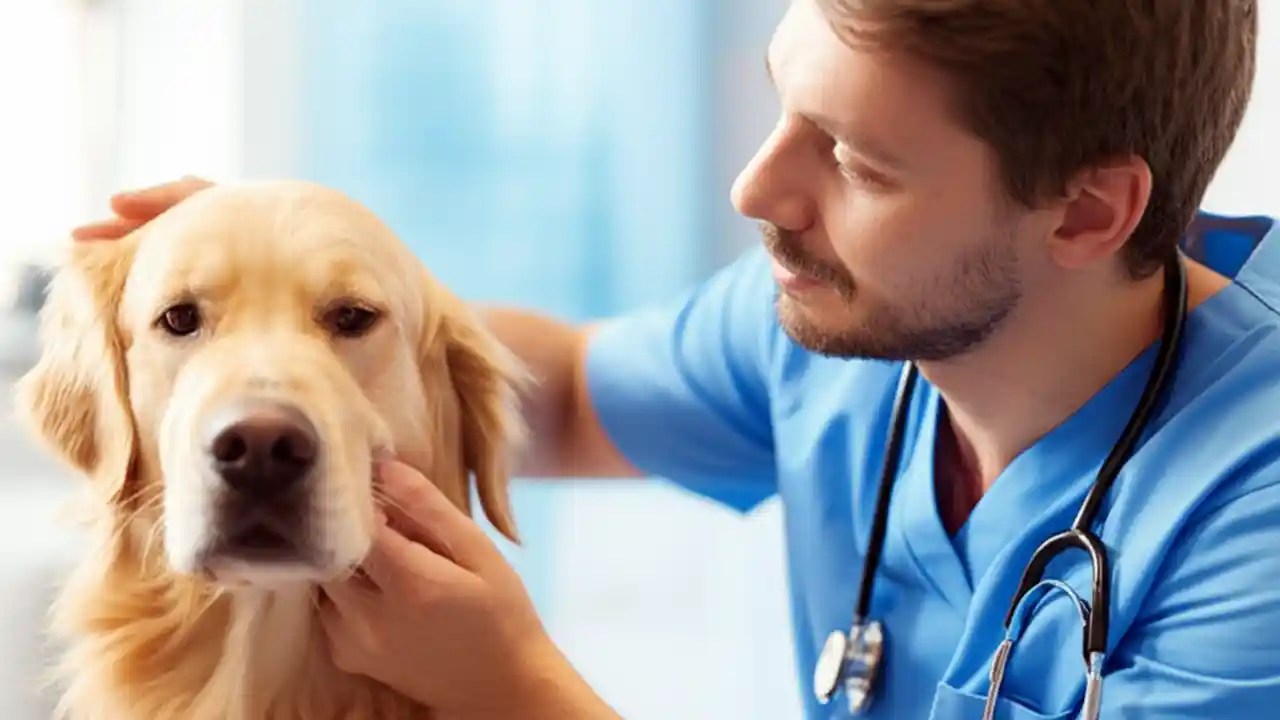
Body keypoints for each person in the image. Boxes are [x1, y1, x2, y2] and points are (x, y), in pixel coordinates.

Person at [72, 0, 1280, 717]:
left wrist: (511, 687)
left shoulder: (1253, 515)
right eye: (782, 106)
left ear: (1082, 215)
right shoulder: (835, 337)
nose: (757, 188)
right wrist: (287, 295)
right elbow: (563, 396)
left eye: (854, 161)